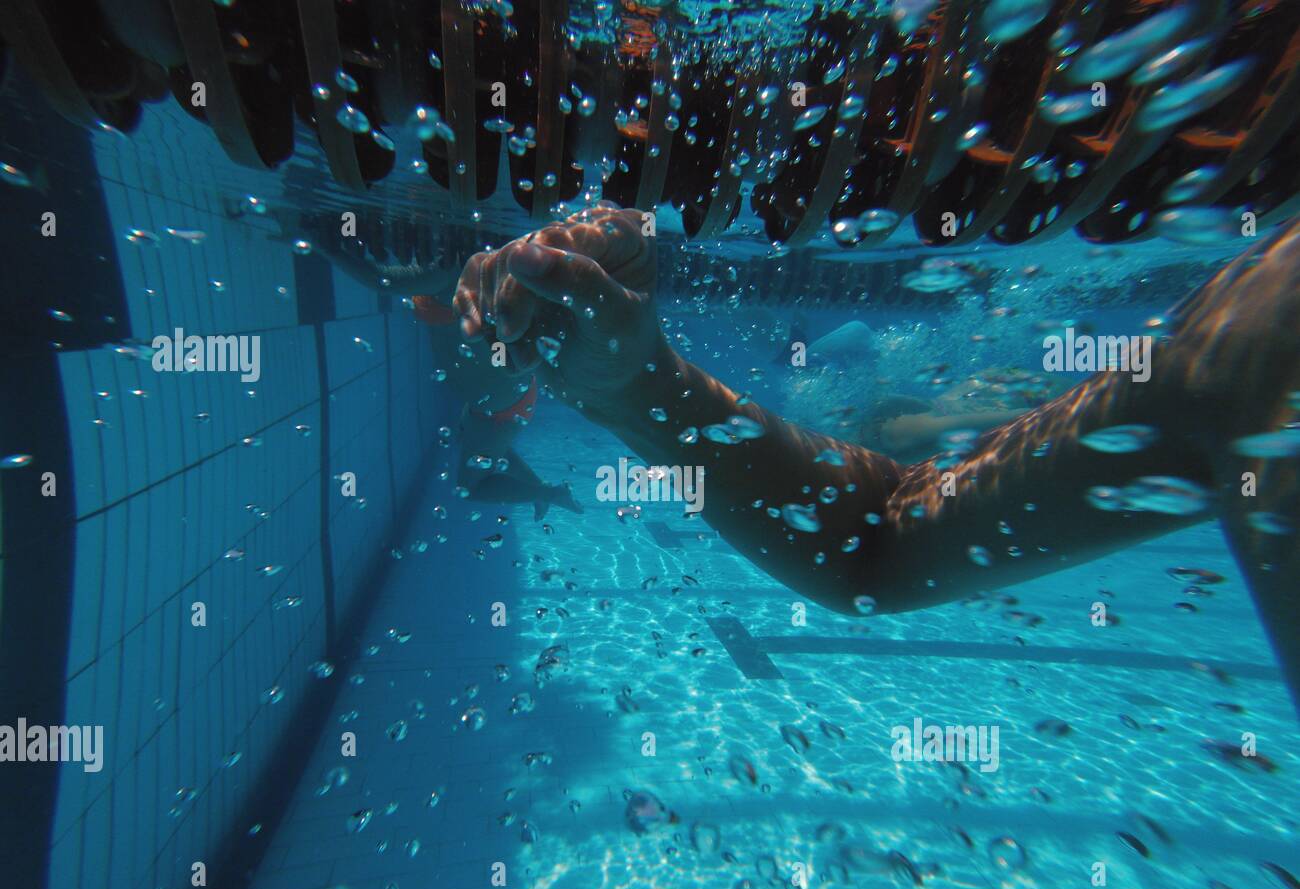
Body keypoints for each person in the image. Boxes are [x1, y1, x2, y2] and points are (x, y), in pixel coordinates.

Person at [452, 204, 1300, 706]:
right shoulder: (1258, 331)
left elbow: (878, 533)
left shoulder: (1254, 328)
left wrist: (636, 390)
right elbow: (880, 537)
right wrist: (635, 386)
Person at [277, 208, 583, 520]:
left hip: (502, 405)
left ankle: (548, 493)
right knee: (483, 444)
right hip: (500, 398)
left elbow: (382, 280)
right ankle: (541, 490)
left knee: (471, 487)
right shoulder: (463, 266)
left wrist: (316, 239)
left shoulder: (451, 270)